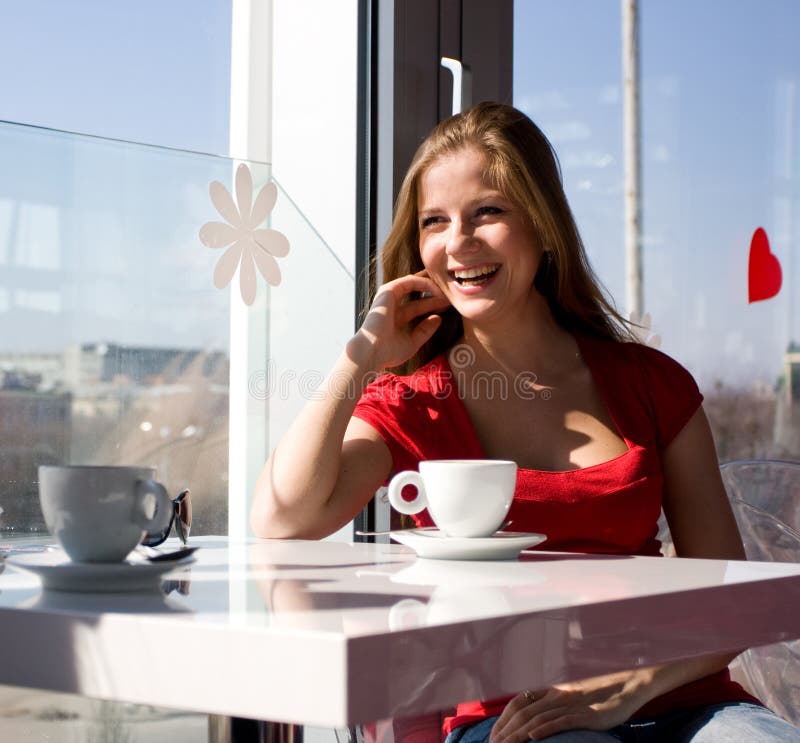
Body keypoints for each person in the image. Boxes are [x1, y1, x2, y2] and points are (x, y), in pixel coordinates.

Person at [251, 102, 800, 742]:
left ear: (542, 227)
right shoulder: (413, 401)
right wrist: (361, 358)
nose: (459, 241)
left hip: (684, 700)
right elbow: (284, 516)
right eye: (435, 222)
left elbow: (727, 603)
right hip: (516, 720)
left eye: (488, 212)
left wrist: (622, 693)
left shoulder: (652, 383)